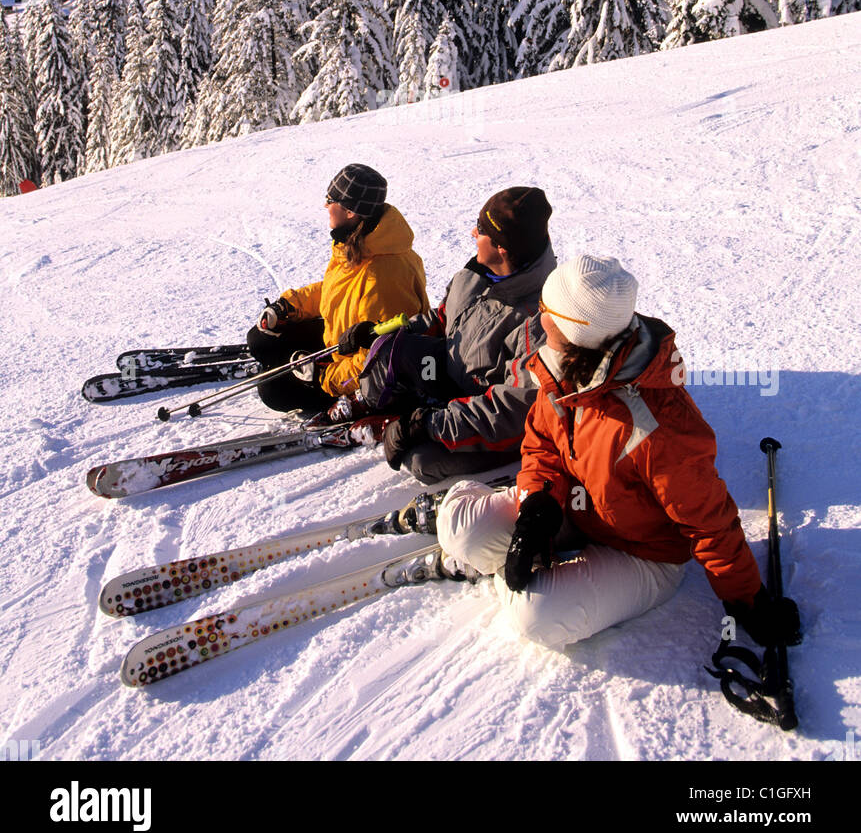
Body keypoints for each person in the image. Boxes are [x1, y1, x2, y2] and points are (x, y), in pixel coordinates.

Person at [435, 254, 801, 653]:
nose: (538, 317)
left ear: (571, 328)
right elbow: (541, 441)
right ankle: (525, 557)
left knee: (537, 618)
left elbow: (708, 522)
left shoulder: (659, 425)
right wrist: (538, 503)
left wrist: (749, 600)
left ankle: (515, 573)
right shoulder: (560, 365)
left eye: (544, 309)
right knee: (459, 527)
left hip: (645, 554)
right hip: (574, 511)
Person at [357, 187, 556, 482]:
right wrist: (381, 331)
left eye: (483, 230)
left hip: (490, 421)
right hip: (454, 377)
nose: (473, 233)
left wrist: (430, 425)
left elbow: (513, 411)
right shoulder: (475, 273)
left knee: (421, 460)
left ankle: (416, 423)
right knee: (389, 350)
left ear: (502, 247)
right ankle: (391, 414)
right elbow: (443, 317)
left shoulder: (537, 318)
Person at [248, 163, 429, 415]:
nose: (325, 206)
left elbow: (379, 359)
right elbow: (336, 289)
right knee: (259, 339)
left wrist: (322, 376)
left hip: (360, 371)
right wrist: (289, 307)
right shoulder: (360, 240)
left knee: (273, 390)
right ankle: (286, 363)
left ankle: (297, 374)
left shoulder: (384, 277)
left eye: (330, 200)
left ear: (350, 211)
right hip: (341, 340)